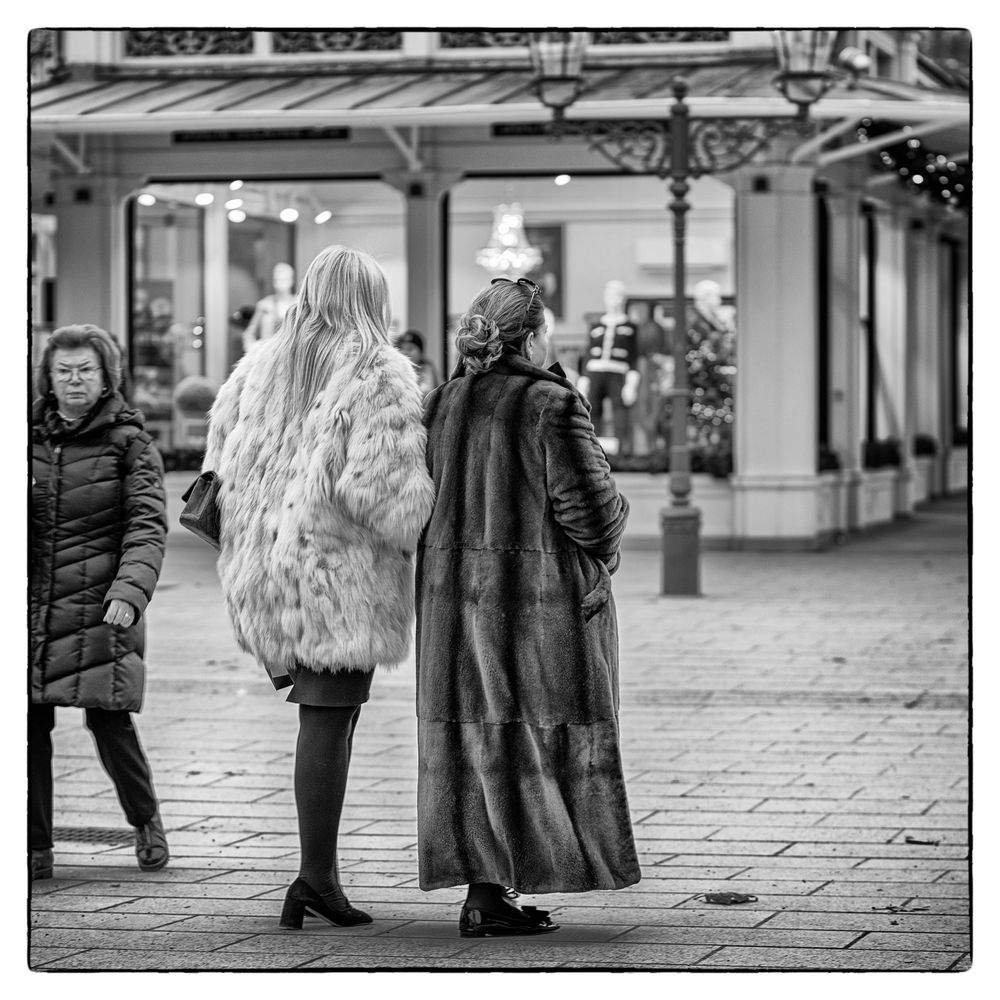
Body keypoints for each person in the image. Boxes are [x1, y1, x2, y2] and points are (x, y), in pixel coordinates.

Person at [203, 245, 435, 928]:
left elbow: (218, 469)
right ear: (369, 299)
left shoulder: (257, 368)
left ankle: (318, 873)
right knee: (329, 718)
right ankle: (313, 878)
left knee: (326, 716)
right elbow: (387, 497)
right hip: (338, 581)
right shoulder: (376, 371)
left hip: (267, 575)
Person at [416, 276, 641, 938]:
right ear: (535, 336)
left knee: (474, 738)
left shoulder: (441, 402)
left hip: (454, 608)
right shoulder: (550, 403)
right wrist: (608, 543)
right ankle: (538, 867)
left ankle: (484, 893)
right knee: (542, 734)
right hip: (537, 611)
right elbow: (593, 512)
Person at [30, 324, 169, 882]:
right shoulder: (27, 436)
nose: (74, 381)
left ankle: (145, 822)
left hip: (101, 604)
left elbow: (146, 525)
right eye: (63, 371)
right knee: (27, 726)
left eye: (85, 370)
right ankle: (35, 846)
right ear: (48, 377)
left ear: (107, 375)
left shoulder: (129, 441)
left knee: (108, 721)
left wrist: (130, 592)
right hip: (33, 607)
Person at [576, 279, 640, 456]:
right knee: (593, 412)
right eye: (609, 295)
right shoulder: (597, 325)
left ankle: (623, 454)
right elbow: (589, 352)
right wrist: (584, 377)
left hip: (618, 372)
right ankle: (593, 453)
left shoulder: (630, 326)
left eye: (616, 295)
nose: (611, 299)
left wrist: (632, 382)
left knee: (620, 414)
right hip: (595, 371)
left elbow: (634, 356)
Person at [242, 262, 296, 352]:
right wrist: (253, 350)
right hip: (268, 356)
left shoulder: (298, 305)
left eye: (284, 279)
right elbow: (249, 334)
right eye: (278, 280)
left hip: (291, 355)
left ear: (291, 281)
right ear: (274, 281)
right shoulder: (264, 305)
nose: (281, 283)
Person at [395, 329, 440, 395]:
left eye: (410, 349)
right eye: (401, 349)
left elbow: (426, 392)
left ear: (421, 352)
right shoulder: (395, 370)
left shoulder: (427, 368)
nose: (405, 352)